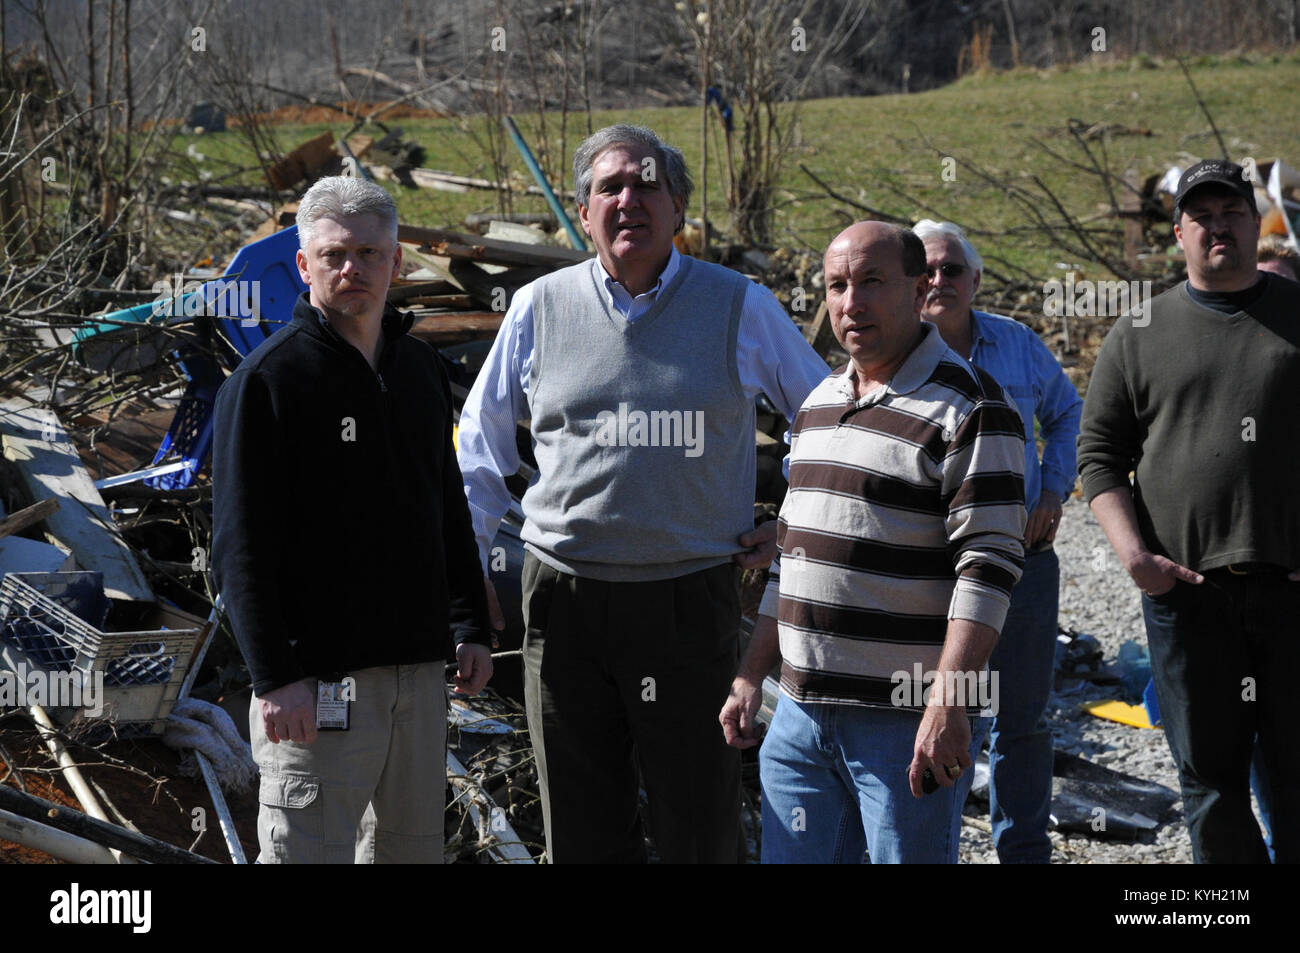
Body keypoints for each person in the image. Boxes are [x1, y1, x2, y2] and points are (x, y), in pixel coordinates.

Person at [456, 123, 828, 863]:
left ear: (679, 206)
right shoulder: (538, 307)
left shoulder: (737, 305)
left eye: (648, 183)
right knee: (582, 821)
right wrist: (467, 580)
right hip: (562, 607)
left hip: (688, 606)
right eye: (609, 186)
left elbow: (824, 418)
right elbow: (479, 446)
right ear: (584, 211)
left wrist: (791, 522)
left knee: (699, 821)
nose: (629, 199)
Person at [720, 221, 1028, 863]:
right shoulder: (816, 405)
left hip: (904, 721)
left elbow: (990, 567)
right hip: (799, 721)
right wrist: (752, 675)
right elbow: (793, 558)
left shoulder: (970, 409)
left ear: (920, 291)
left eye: (871, 282)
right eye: (837, 285)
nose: (851, 302)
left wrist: (950, 706)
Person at [212, 176, 493, 864]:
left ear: (396, 263)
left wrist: (469, 625)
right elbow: (238, 545)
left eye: (370, 253)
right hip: (315, 689)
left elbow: (445, 506)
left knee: (410, 853)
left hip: (418, 682)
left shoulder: (420, 369)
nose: (352, 268)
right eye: (334, 254)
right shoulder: (268, 381)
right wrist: (274, 675)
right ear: (304, 266)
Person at [1079, 159, 1300, 863]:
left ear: (1253, 221)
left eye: (1232, 211)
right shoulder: (1140, 332)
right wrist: (1134, 557)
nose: (1218, 226)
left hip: (1292, 592)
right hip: (1188, 595)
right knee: (1210, 781)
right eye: (1201, 216)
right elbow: (1099, 456)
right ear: (1178, 232)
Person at [913, 219, 1082, 863]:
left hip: (1026, 565)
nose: (938, 280)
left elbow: (1067, 412)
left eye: (952, 269)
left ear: (975, 280)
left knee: (1024, 721)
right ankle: (933, 849)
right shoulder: (895, 354)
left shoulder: (1017, 344)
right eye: (925, 269)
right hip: (937, 568)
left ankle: (1024, 853)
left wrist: (1053, 489)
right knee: (941, 716)